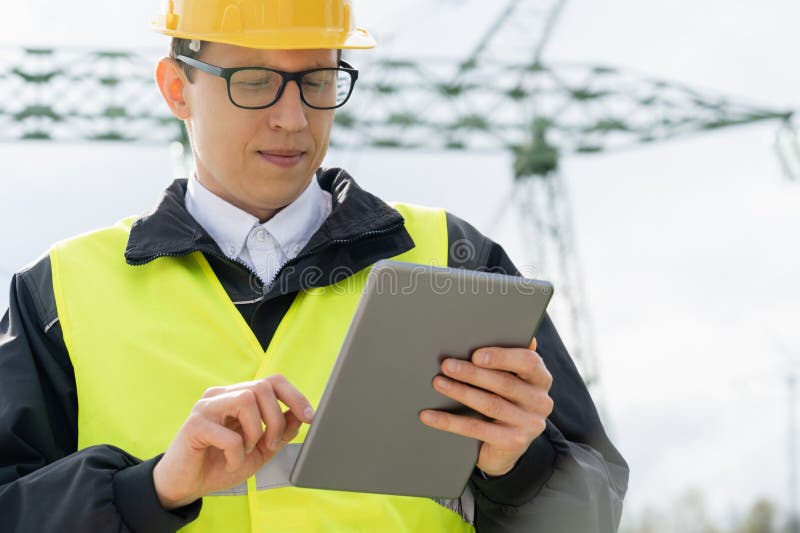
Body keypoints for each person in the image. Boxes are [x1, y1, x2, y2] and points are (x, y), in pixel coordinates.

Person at [0, 1, 628, 531]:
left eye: (318, 82)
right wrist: (150, 491)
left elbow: (593, 508)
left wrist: (519, 466)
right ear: (175, 88)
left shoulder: (459, 260)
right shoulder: (59, 295)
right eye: (254, 81)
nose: (293, 117)